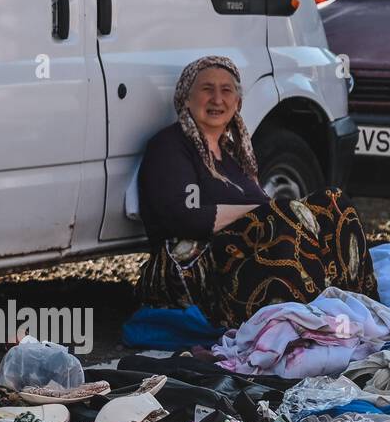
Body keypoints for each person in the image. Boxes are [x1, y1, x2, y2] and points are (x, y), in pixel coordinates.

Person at [137, 54, 377, 328]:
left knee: (332, 201)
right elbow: (185, 218)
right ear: (185, 98)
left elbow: (263, 209)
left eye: (226, 90)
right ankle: (307, 319)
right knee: (281, 215)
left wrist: (276, 212)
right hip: (194, 272)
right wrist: (265, 211)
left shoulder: (235, 153)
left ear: (237, 102)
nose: (217, 99)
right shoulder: (170, 146)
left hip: (240, 256)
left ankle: (359, 306)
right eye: (206, 89)